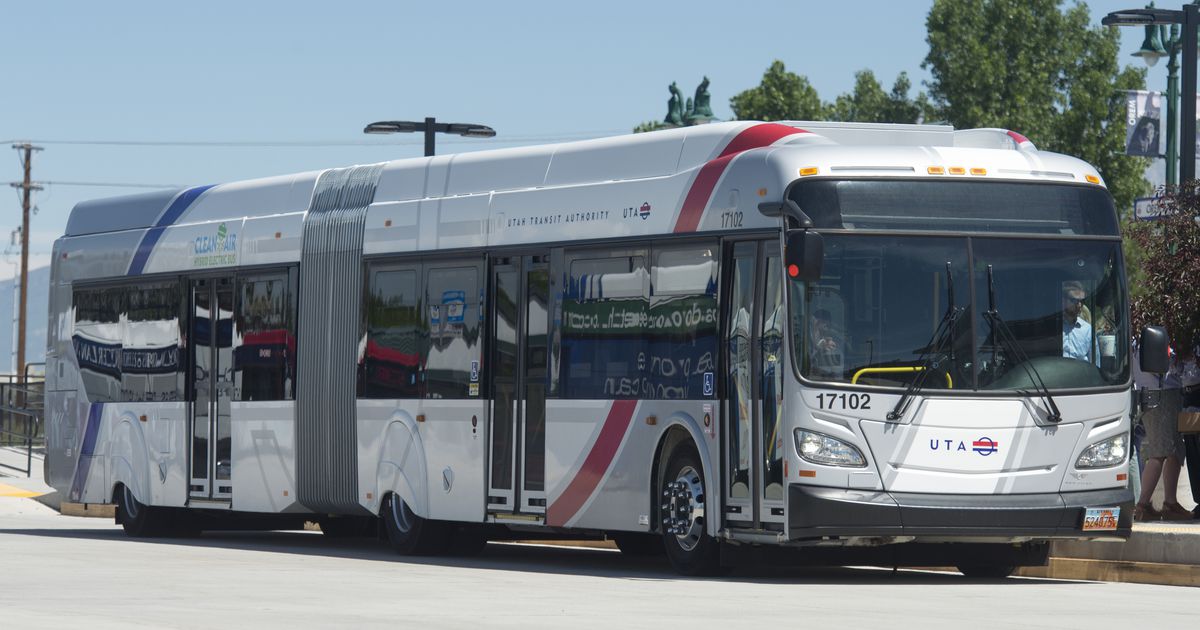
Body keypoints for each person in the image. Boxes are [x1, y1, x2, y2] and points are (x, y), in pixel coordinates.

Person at [1135, 345, 1193, 521]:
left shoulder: (1138, 333)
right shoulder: (1153, 335)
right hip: (1163, 392)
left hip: (1154, 392)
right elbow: (1167, 366)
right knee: (1160, 450)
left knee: (1174, 448)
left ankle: (1170, 503)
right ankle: (1143, 505)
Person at [1061, 281, 1094, 363]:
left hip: (1081, 374)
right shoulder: (1054, 327)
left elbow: (1095, 364)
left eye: (1082, 301)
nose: (1079, 305)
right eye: (1074, 300)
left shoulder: (1088, 330)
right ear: (1063, 301)